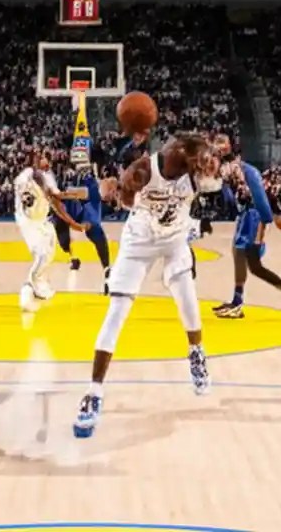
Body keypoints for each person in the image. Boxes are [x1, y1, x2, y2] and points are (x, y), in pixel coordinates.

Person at [74, 132, 223, 438]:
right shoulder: (143, 169)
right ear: (182, 153)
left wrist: (216, 155)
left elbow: (217, 170)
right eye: (202, 160)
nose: (206, 166)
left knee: (187, 297)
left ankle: (196, 353)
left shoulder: (197, 176)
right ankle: (93, 393)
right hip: (139, 239)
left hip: (174, 240)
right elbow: (125, 201)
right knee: (117, 311)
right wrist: (122, 191)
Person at [213, 156, 281, 319]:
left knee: (250, 262)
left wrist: (262, 233)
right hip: (247, 218)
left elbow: (264, 201)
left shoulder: (249, 173)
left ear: (234, 162)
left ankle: (238, 302)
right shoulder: (237, 176)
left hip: (254, 219)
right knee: (247, 261)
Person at [14, 151, 87, 312]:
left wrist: (73, 221)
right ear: (33, 161)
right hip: (28, 221)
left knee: (50, 250)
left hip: (42, 220)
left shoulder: (47, 177)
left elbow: (56, 199)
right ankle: (28, 288)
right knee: (41, 255)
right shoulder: (24, 178)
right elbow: (25, 195)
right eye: (41, 157)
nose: (45, 159)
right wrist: (27, 198)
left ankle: (40, 285)